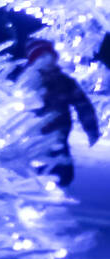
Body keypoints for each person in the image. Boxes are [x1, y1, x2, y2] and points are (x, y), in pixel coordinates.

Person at [19, 38, 100, 187]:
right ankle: (35, 187)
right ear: (34, 60)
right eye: (41, 57)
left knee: (62, 165)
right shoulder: (27, 81)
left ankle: (59, 185)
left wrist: (91, 129)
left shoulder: (65, 81)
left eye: (49, 56)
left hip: (59, 131)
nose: (47, 60)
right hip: (33, 132)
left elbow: (83, 106)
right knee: (37, 164)